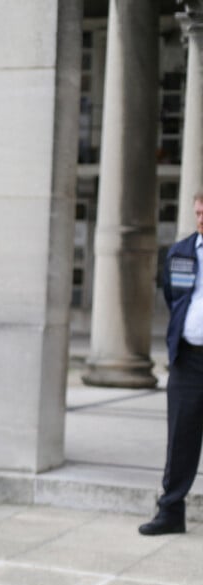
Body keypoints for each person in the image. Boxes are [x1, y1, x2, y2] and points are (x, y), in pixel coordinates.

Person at [140, 191, 203, 536]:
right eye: (198, 212)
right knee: (180, 438)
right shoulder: (180, 253)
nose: (201, 218)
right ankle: (171, 512)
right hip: (188, 360)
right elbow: (173, 296)